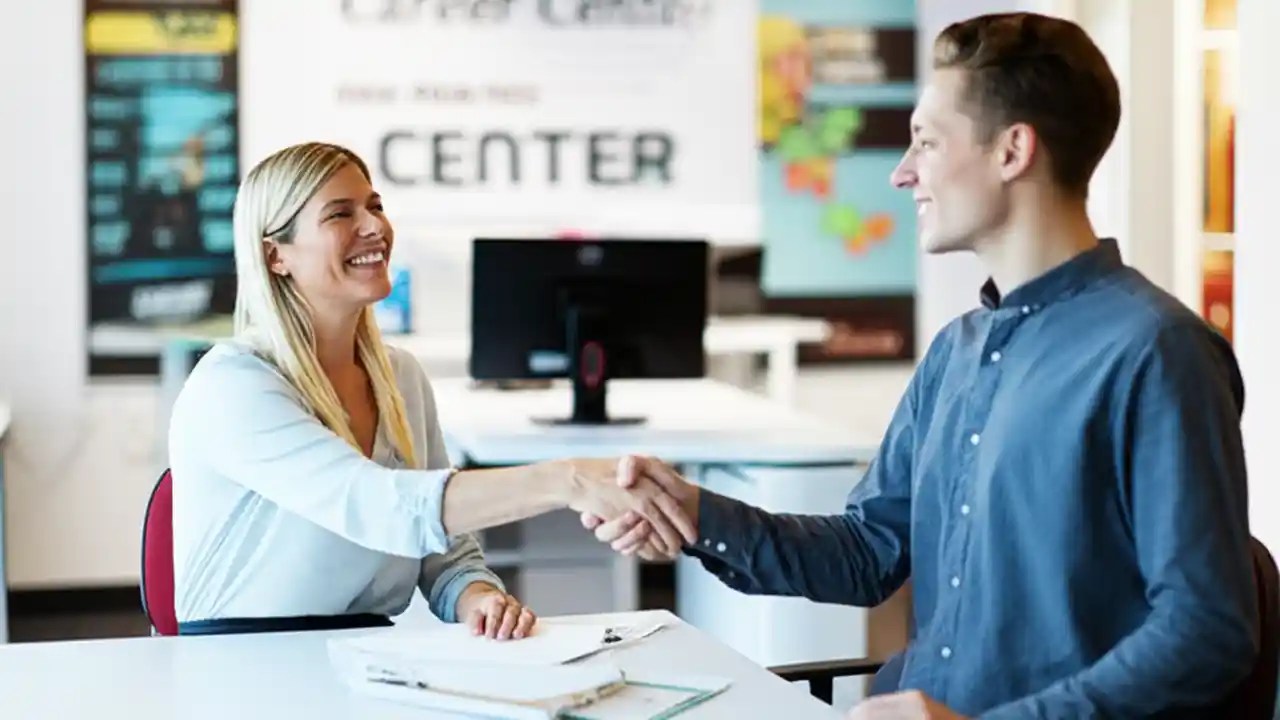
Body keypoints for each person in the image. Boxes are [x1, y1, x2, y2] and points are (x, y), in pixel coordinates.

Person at [584, 13, 1259, 719]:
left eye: (927, 143)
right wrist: (697, 515)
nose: (904, 173)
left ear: (1012, 151)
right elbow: (868, 551)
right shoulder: (958, 350)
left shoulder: (1156, 351)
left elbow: (1205, 632)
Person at [168, 142, 695, 638]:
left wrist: (477, 596)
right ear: (275, 256)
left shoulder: (400, 377)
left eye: (375, 206)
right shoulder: (234, 385)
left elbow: (444, 553)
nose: (374, 226)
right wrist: (567, 480)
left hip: (363, 652)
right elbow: (376, 507)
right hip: (242, 660)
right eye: (340, 213)